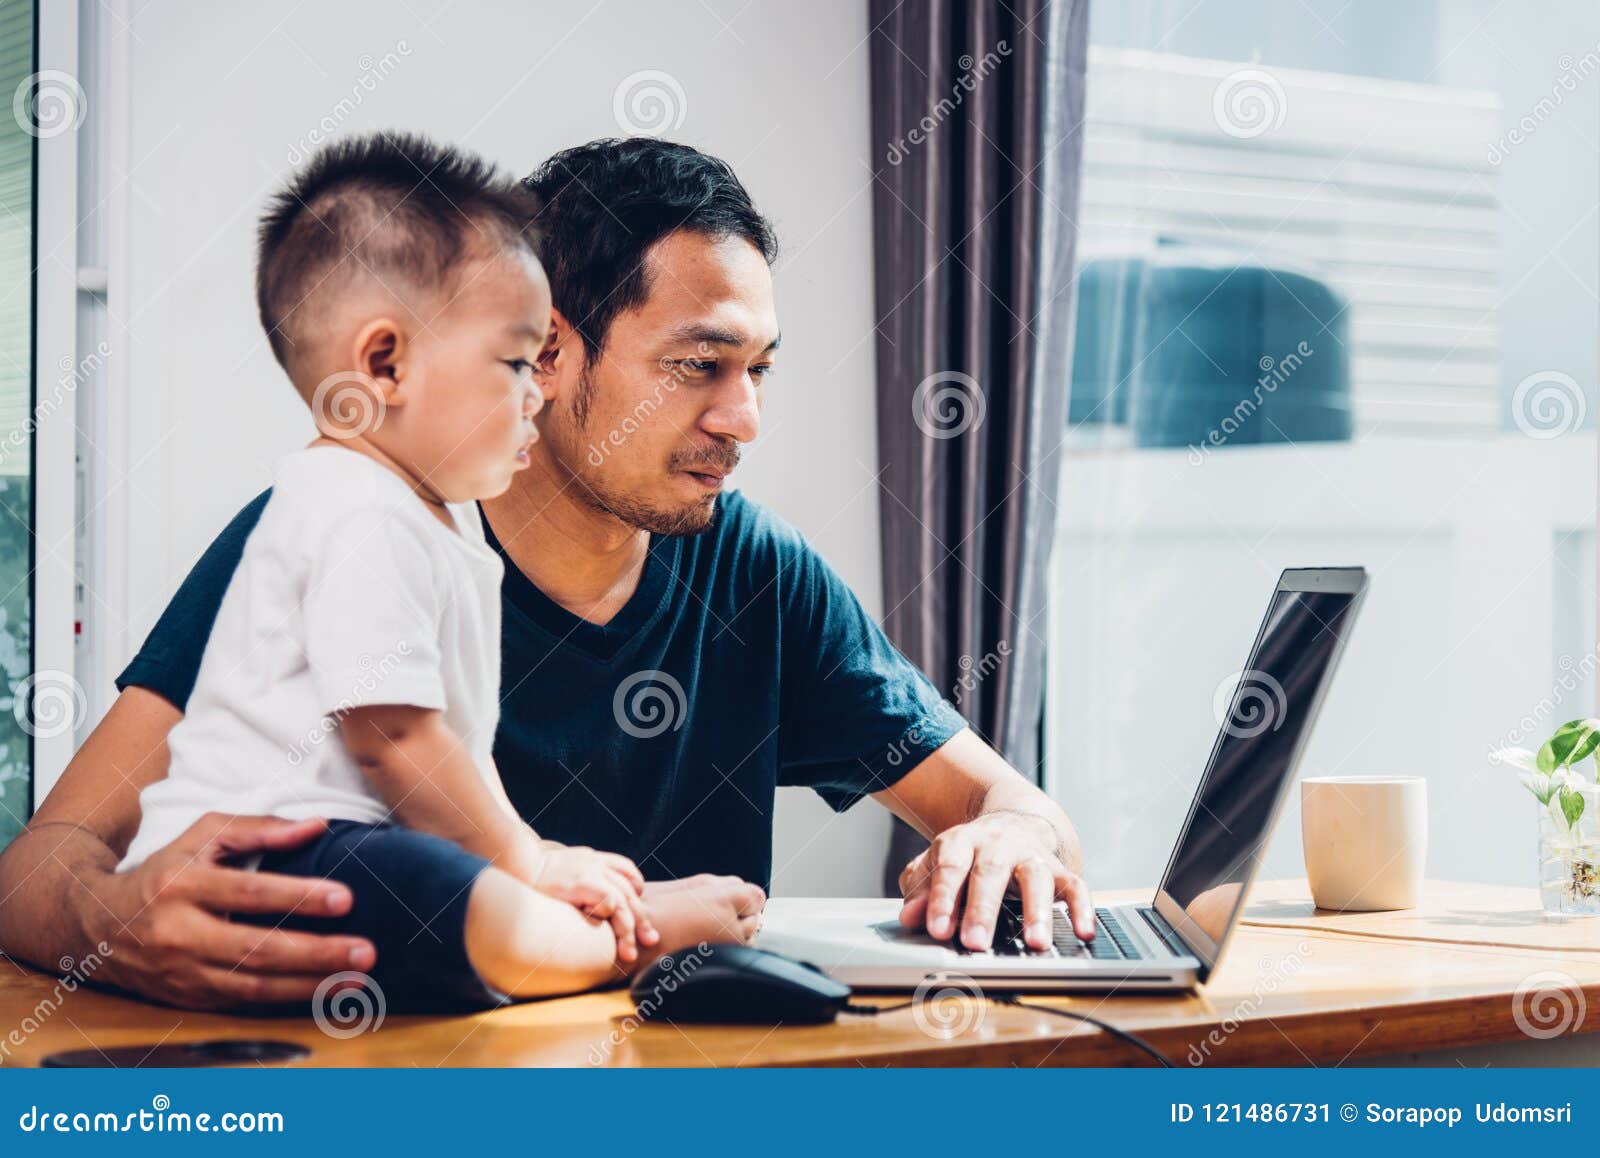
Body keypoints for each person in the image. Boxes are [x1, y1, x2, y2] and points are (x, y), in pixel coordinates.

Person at [0, 137, 1087, 1011]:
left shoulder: (759, 575)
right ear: (550, 352)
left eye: (756, 371)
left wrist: (1012, 831)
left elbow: (1004, 799)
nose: (743, 417)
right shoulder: (331, 527)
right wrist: (115, 922)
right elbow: (38, 866)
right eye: (698, 366)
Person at [113, 131, 748, 1011]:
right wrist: (529, 863)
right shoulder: (354, 509)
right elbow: (395, 740)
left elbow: (452, 745)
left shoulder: (431, 519)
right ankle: (617, 946)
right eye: (517, 362)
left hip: (342, 852)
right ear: (386, 365)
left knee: (440, 875)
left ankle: (562, 931)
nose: (538, 392)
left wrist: (532, 853)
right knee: (439, 886)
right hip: (258, 863)